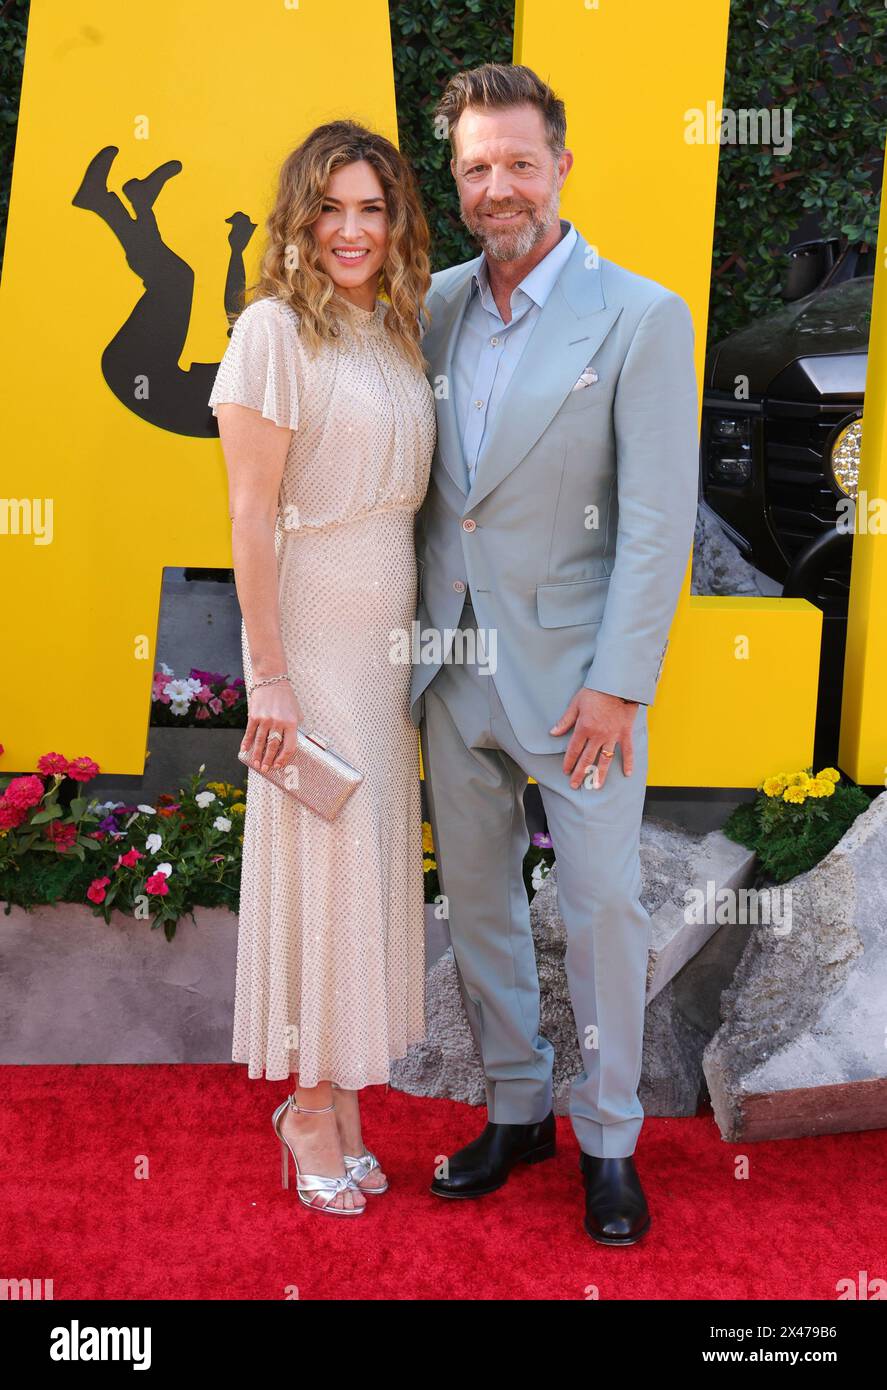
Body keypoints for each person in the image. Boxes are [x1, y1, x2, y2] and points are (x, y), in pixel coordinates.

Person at [410, 63, 699, 1244]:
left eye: (517, 161)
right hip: (449, 667)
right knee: (477, 904)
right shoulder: (424, 306)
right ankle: (518, 1106)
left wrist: (620, 680)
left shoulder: (639, 314)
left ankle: (611, 1137)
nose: (496, 187)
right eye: (474, 167)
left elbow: (654, 517)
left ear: (561, 166)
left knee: (599, 911)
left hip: (584, 684)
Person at [209, 121, 436, 1216]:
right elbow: (250, 518)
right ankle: (305, 1105)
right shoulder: (269, 332)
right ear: (298, 217)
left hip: (387, 646)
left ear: (396, 223)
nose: (351, 230)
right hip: (310, 635)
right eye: (331, 208)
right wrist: (270, 678)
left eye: (372, 208)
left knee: (369, 867)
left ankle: (339, 1097)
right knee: (322, 862)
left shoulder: (394, 333)